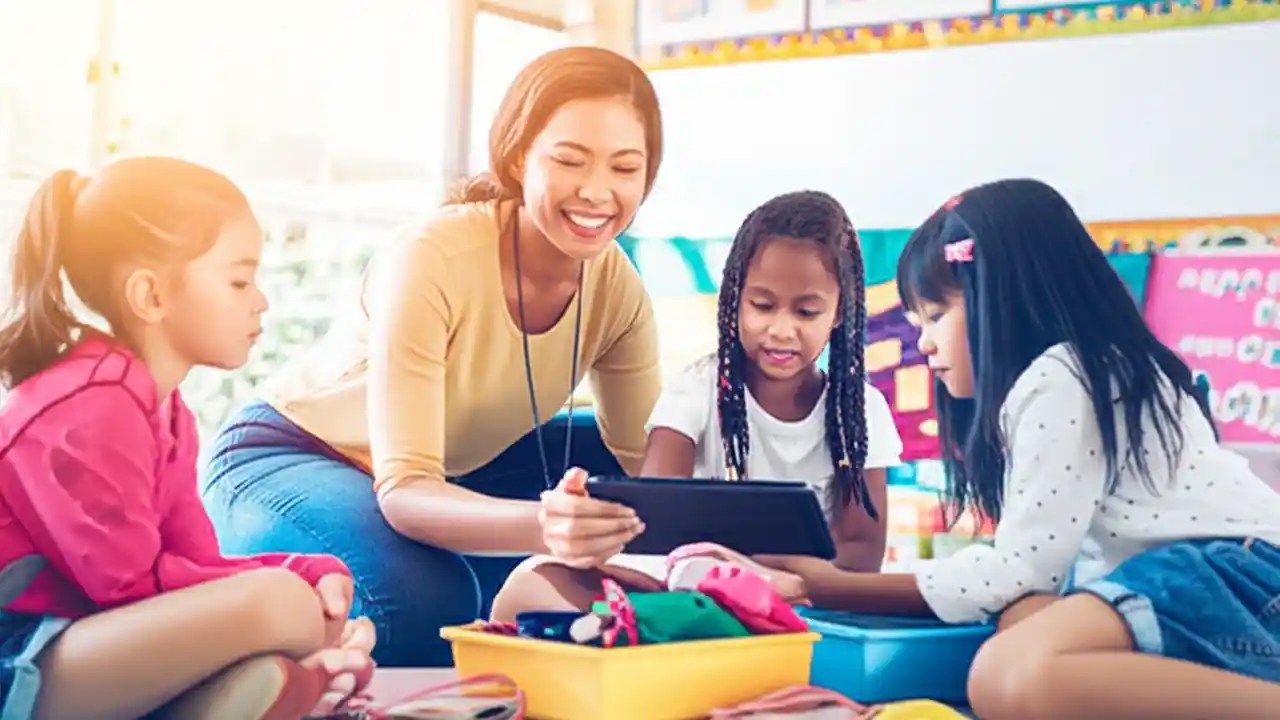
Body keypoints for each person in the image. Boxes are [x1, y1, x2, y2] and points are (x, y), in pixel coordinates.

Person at [676, 179, 1280, 720]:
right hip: (1213, 585)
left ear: (1003, 300)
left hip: (1233, 578)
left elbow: (1016, 568)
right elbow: (1025, 582)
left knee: (1002, 675)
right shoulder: (1088, 372)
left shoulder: (1063, 377)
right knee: (1022, 618)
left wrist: (816, 583)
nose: (924, 344)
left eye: (936, 315)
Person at [199, 46, 666, 667]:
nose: (597, 191)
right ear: (518, 155)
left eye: (624, 168)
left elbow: (655, 465)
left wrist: (725, 544)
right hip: (291, 455)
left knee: (618, 463)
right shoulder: (433, 257)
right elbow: (405, 488)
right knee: (427, 602)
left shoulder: (618, 289)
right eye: (569, 160)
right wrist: (548, 527)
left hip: (449, 470)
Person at [0, 158, 375, 720]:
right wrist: (294, 585)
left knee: (294, 617)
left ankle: (268, 689)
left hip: (77, 646)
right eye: (239, 280)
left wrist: (310, 578)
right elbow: (132, 587)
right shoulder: (89, 405)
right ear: (151, 295)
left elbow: (195, 562)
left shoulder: (165, 412)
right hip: (19, 658)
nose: (261, 301)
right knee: (280, 606)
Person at [490, 190, 903, 619]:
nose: (781, 330)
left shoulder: (861, 412)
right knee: (530, 582)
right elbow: (654, 522)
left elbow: (861, 557)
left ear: (839, 313)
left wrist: (763, 574)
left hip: (798, 600)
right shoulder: (698, 389)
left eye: (806, 312)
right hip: (692, 584)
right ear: (735, 300)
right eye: (762, 306)